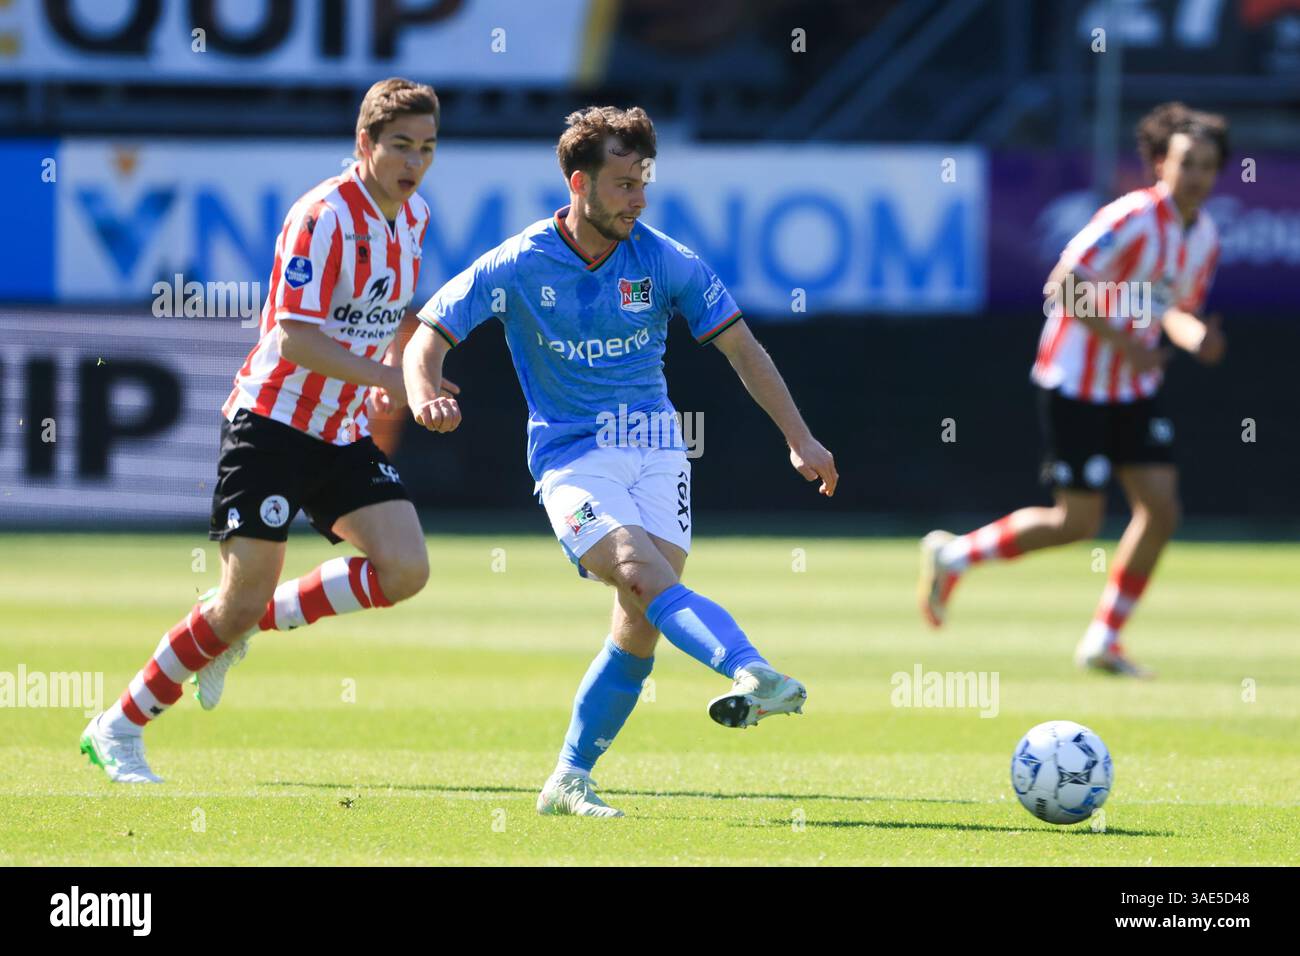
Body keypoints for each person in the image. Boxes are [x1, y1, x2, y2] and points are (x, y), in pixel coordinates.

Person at [404, 106, 838, 817]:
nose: (637, 198)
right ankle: (753, 671)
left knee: (639, 622)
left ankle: (568, 780)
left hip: (658, 451)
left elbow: (743, 350)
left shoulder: (666, 259)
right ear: (579, 184)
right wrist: (424, 393)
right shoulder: (519, 261)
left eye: (643, 183)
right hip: (571, 459)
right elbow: (428, 333)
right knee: (639, 574)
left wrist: (799, 437)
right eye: (622, 185)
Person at [81, 78, 451, 782]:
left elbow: (377, 321)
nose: (414, 162)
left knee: (406, 569)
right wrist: (393, 381)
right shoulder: (323, 215)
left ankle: (250, 619)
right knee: (233, 601)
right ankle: (117, 727)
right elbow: (294, 340)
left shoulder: (416, 217)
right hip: (272, 424)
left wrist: (401, 376)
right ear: (364, 144)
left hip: (339, 430)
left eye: (427, 148)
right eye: (400, 145)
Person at [918, 102, 1228, 679]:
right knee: (1077, 524)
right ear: (1161, 163)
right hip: (1076, 380)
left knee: (1161, 509)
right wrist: (1124, 342)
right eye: (1187, 162)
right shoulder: (1131, 218)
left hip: (1134, 386)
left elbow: (1173, 309)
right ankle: (954, 554)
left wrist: (1194, 339)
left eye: (1208, 166)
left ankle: (1103, 640)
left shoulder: (1205, 235)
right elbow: (1062, 286)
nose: (1197, 176)